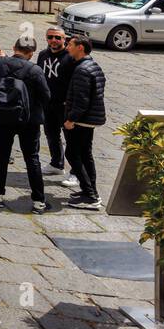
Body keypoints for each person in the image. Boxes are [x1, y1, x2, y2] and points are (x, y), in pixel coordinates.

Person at [0, 34, 52, 213]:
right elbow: (46, 97)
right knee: (32, 158)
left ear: (14, 47)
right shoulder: (34, 70)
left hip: (2, 117)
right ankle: (38, 201)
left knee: (2, 156)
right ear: (31, 52)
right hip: (29, 120)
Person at [64, 36, 106, 210]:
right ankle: (88, 189)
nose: (67, 48)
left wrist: (71, 119)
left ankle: (90, 195)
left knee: (73, 154)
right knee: (85, 154)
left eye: (70, 45)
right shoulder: (93, 65)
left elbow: (81, 100)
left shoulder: (82, 69)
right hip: (90, 118)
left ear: (80, 48)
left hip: (82, 120)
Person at [36, 27, 78, 179]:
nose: (53, 40)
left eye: (57, 37)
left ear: (64, 39)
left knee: (72, 139)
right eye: (50, 37)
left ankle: (76, 171)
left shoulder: (70, 57)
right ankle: (56, 164)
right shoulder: (42, 55)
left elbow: (76, 81)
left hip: (65, 105)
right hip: (48, 104)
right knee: (51, 134)